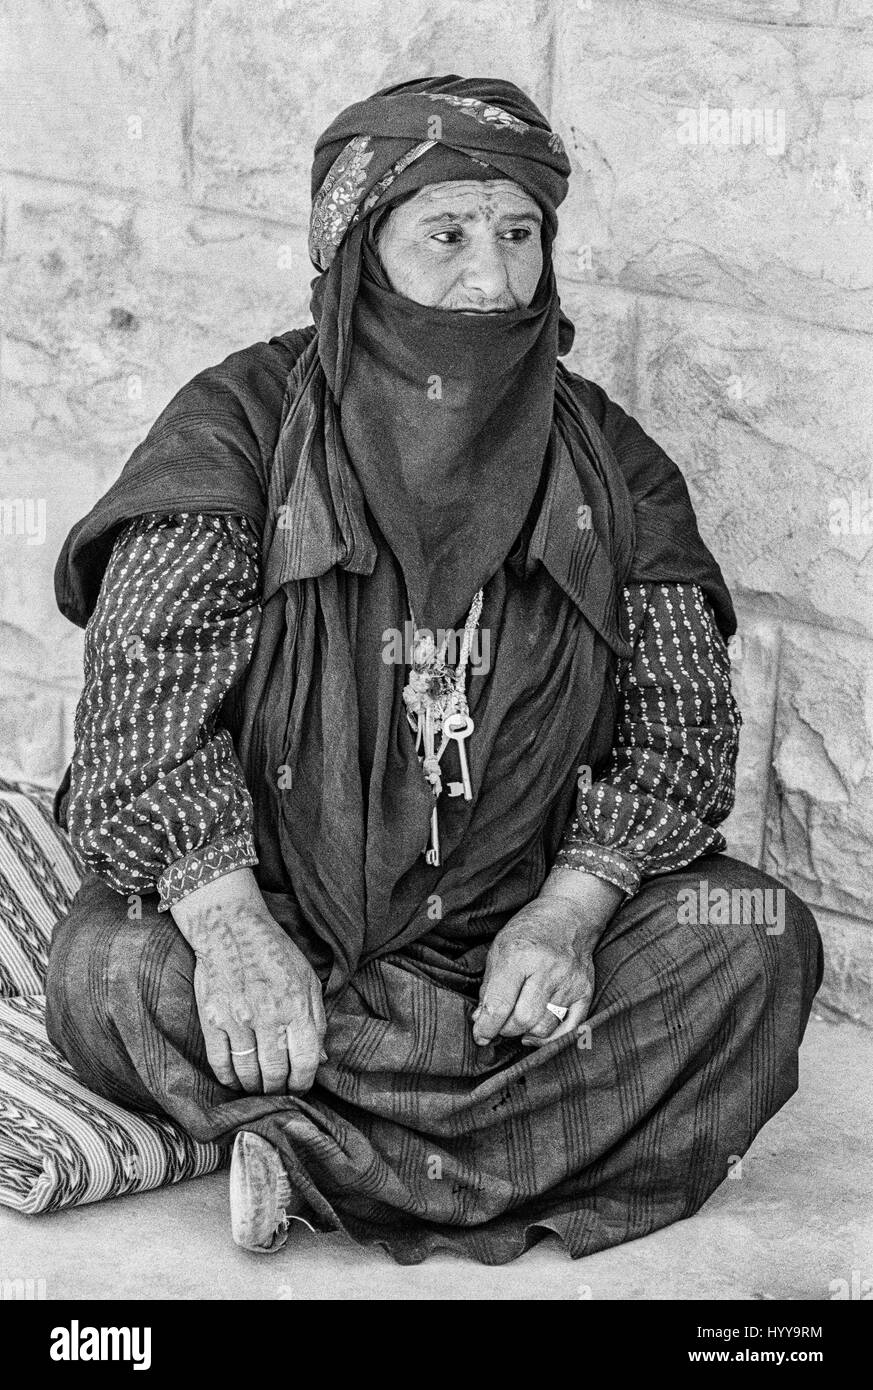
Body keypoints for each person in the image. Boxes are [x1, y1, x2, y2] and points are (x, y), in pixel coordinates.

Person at [46, 75, 822, 1267]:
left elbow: (681, 729)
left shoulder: (610, 459)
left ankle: (305, 1149)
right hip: (292, 919)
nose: (493, 281)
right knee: (112, 968)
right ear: (360, 252)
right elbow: (140, 712)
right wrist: (232, 925)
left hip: (520, 938)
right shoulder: (241, 425)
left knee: (755, 933)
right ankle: (518, 1141)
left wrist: (574, 910)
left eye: (520, 234)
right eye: (447, 234)